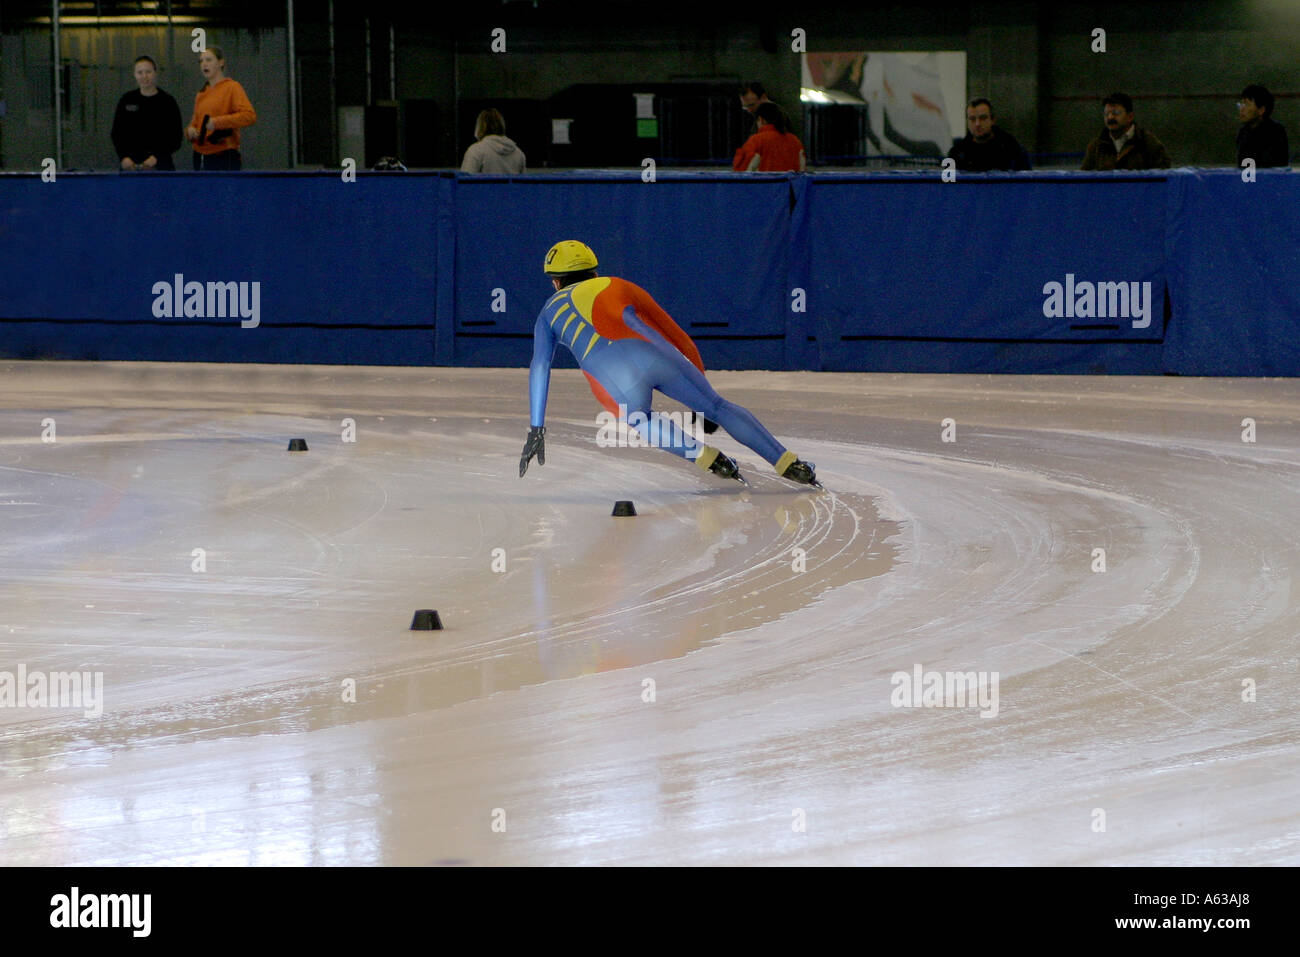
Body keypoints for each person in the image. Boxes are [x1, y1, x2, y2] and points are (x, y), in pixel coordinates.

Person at [519, 240, 818, 486]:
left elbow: (540, 368)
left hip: (614, 381)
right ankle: (791, 464)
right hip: (658, 355)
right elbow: (680, 338)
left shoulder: (547, 313)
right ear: (595, 273)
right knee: (719, 406)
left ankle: (711, 460)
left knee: (641, 420)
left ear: (556, 282)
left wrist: (536, 428)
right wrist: (704, 400)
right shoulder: (619, 284)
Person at [185, 47, 256, 170]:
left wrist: (217, 122)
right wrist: (190, 131)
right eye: (201, 61)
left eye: (208, 60)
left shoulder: (232, 87)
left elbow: (249, 116)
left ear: (221, 62)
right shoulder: (201, 93)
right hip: (200, 154)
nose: (204, 64)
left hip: (224, 153)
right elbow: (195, 122)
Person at [110, 55, 183, 171]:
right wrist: (124, 157)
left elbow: (176, 137)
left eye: (148, 72)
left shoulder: (167, 102)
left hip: (161, 167)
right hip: (131, 167)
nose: (144, 76)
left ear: (155, 73)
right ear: (134, 75)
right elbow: (117, 133)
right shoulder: (126, 100)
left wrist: (157, 157)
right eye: (140, 72)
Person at [1080, 92, 1171, 170]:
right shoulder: (1096, 146)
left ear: (1130, 117)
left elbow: (1162, 176)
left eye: (1116, 113)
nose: (1110, 117)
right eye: (1106, 114)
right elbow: (1085, 179)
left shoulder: (1147, 142)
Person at [947, 97, 1030, 171]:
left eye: (982, 118)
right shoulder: (957, 153)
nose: (977, 124)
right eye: (972, 119)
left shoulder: (1012, 149)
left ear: (992, 120)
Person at [732, 102, 806, 172]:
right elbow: (801, 169)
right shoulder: (795, 141)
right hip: (789, 185)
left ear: (761, 120)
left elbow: (742, 171)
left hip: (763, 184)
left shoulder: (756, 140)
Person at [1237, 84, 1289, 168]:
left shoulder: (1275, 131)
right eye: (1241, 104)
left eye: (1247, 104)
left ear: (1261, 110)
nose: (1242, 109)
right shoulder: (1243, 132)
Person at [461, 109, 526, 173]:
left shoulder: (476, 150)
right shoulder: (519, 154)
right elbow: (524, 182)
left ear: (480, 127)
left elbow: (464, 181)